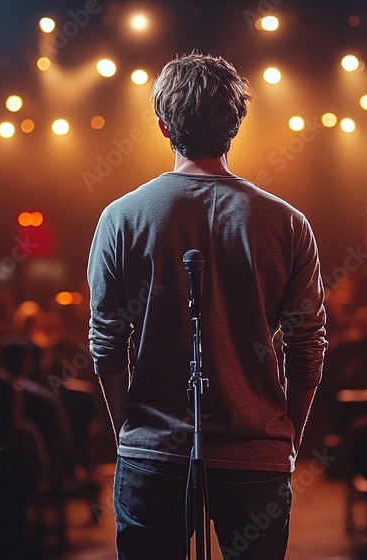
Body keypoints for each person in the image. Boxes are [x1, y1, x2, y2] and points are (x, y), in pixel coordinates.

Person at [87, 52, 328, 560]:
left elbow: (107, 344)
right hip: (253, 452)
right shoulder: (287, 224)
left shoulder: (121, 219)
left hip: (154, 450)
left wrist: (128, 431)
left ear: (162, 125)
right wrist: (285, 438)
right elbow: (308, 348)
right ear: (236, 124)